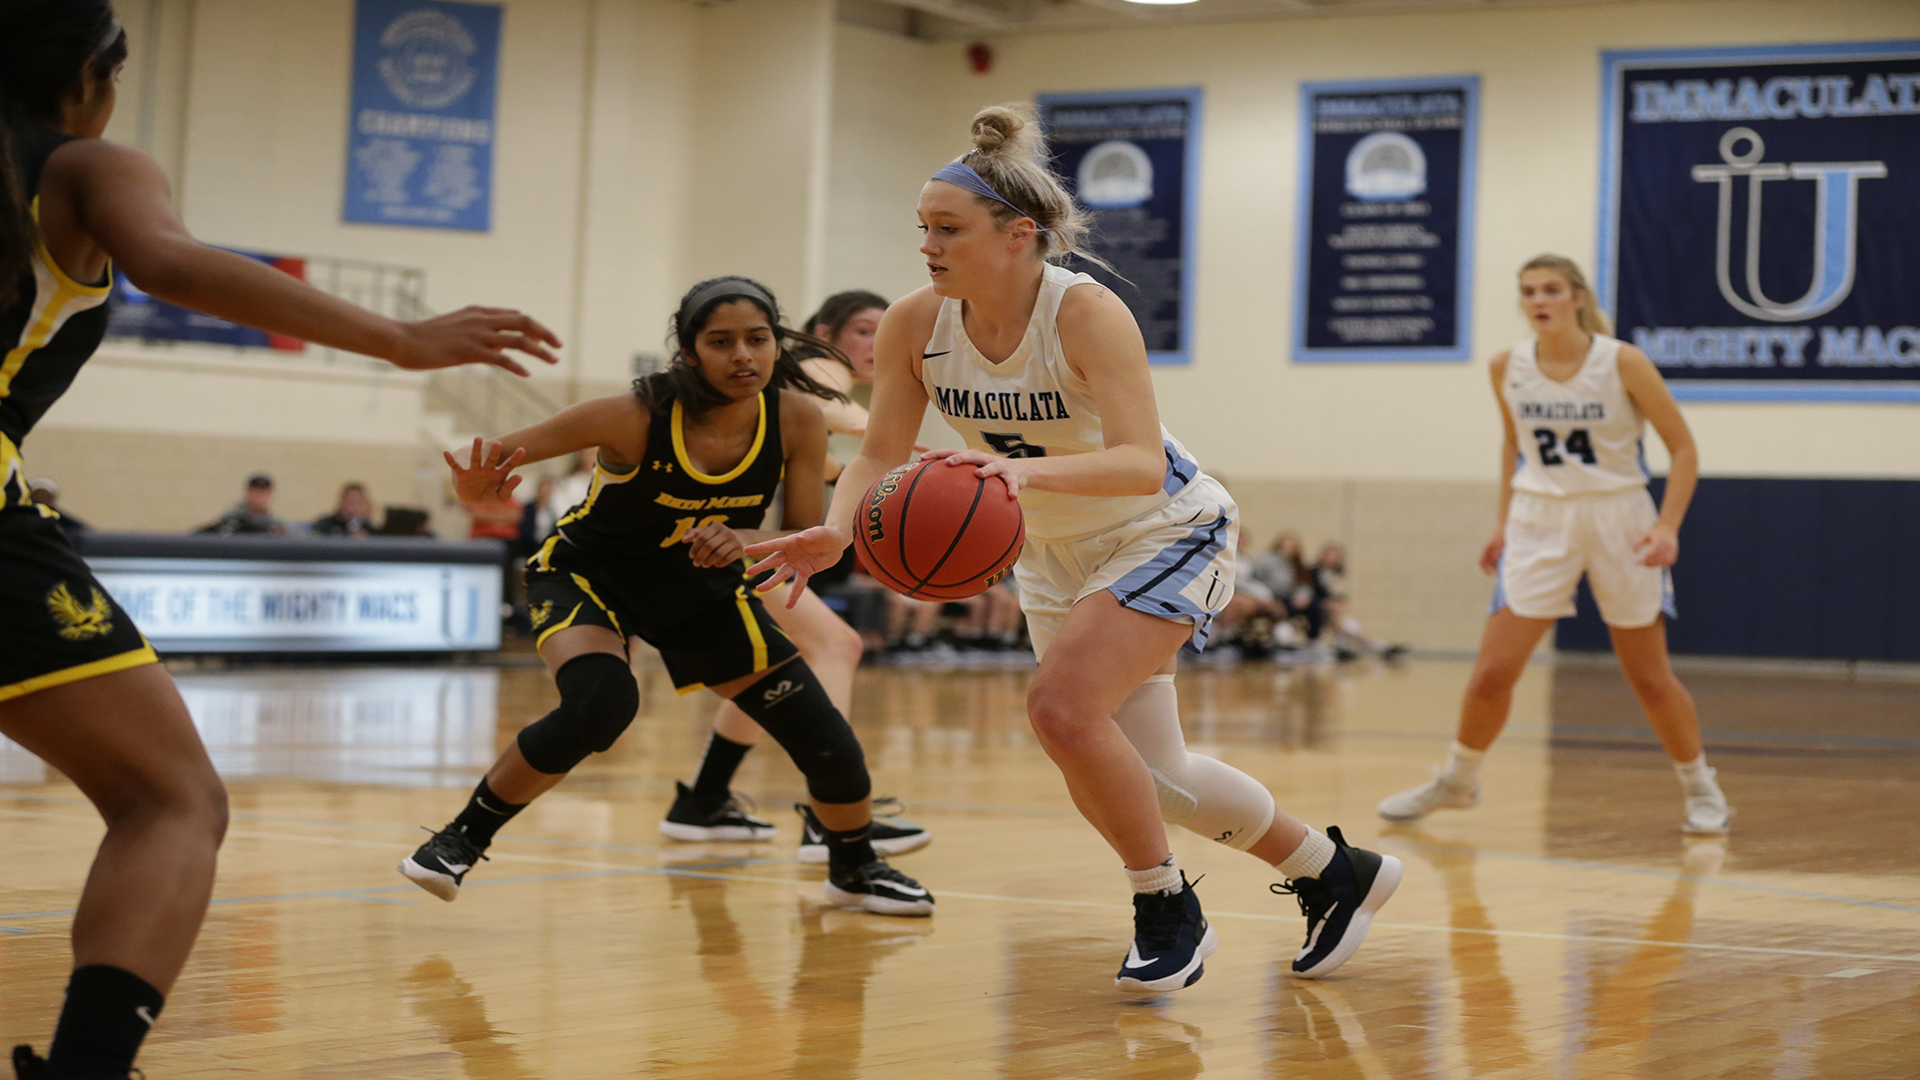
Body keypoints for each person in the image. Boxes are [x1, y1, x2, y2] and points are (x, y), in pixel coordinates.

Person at [0, 5, 561, 1076]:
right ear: (89, 77)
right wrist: (399, 339)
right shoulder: (84, 165)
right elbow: (170, 261)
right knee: (169, 801)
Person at [747, 104, 1399, 992]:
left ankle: (1165, 905)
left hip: (1164, 526)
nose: (928, 246)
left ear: (1020, 236)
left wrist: (1019, 478)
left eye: (948, 229)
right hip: (1054, 553)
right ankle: (1335, 872)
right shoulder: (914, 323)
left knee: (1059, 709)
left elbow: (1137, 462)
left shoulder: (1086, 315)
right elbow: (877, 454)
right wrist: (836, 527)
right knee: (1156, 777)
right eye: (923, 229)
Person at [399, 276, 934, 917]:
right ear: (687, 353)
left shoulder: (796, 418)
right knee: (602, 704)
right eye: (721, 341)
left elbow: (797, 529)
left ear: (775, 346)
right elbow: (484, 461)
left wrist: (741, 535)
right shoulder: (632, 413)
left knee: (826, 740)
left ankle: (852, 867)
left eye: (757, 340)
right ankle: (461, 838)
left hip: (699, 589)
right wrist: (474, 488)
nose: (743, 355)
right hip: (592, 575)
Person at [1376, 254, 1730, 834]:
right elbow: (1512, 445)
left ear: (1577, 297)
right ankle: (1459, 780)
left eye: (1550, 290)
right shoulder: (1505, 365)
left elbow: (1684, 449)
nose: (1538, 301)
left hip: (1620, 516)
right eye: (1528, 292)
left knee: (1648, 676)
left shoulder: (1623, 362)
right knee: (1493, 671)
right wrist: (1502, 524)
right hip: (1539, 519)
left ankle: (1701, 787)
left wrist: (1667, 526)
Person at [658, 288, 931, 864]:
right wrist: (883, 433)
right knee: (838, 644)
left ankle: (704, 800)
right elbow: (825, 404)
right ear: (826, 334)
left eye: (883, 330)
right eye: (863, 329)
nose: (876, 343)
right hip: (712, 543)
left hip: (721, 544)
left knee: (783, 665)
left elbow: (832, 461)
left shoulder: (784, 395)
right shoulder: (810, 364)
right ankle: (827, 813)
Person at [198, 473, 284, 535]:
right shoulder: (232, 520)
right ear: (248, 492)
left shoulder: (276, 526)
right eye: (256, 491)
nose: (259, 496)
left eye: (263, 492)